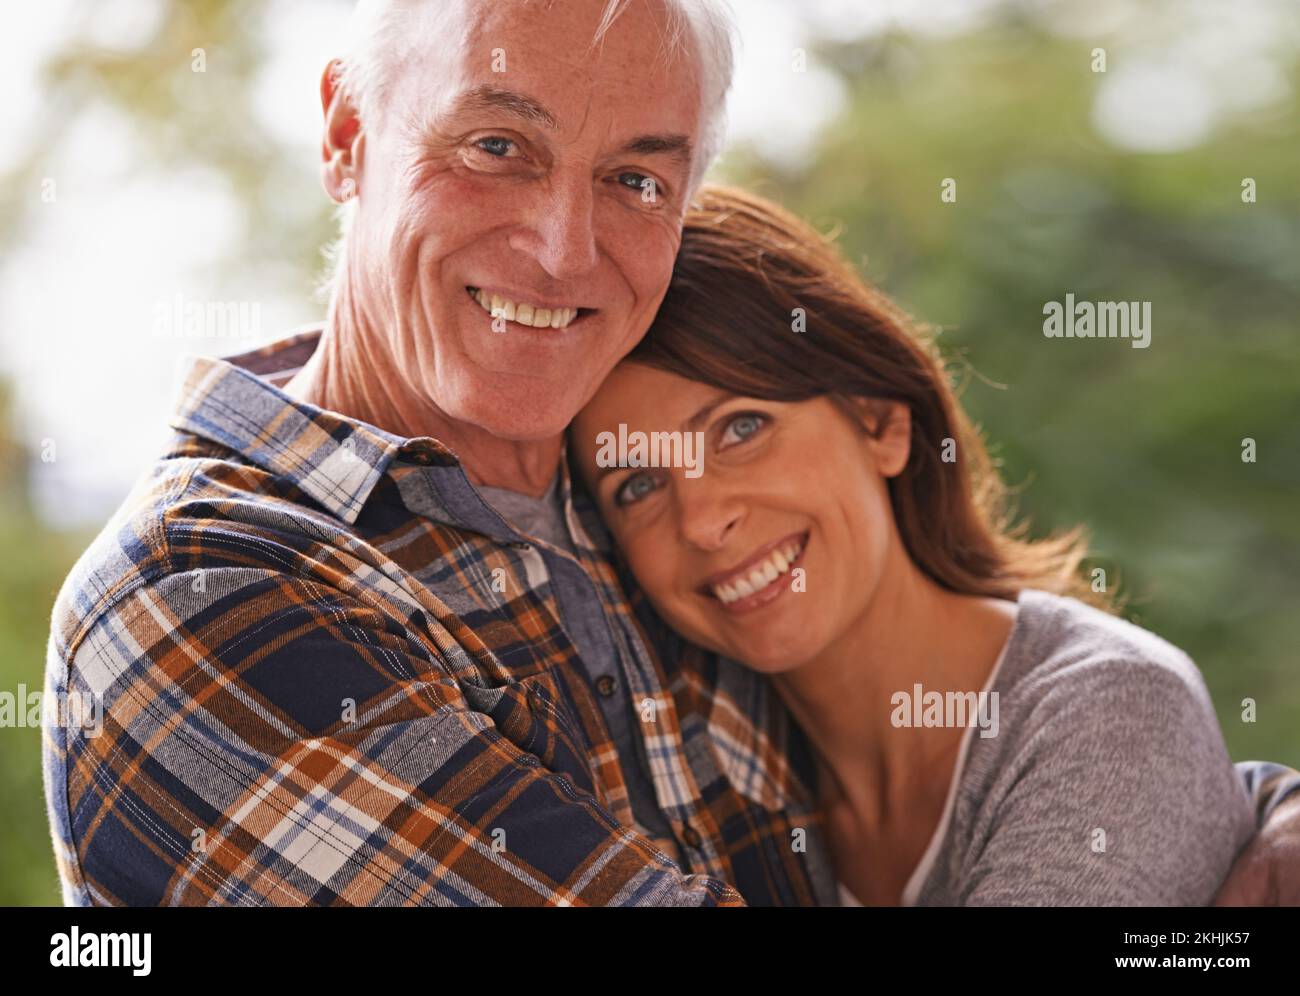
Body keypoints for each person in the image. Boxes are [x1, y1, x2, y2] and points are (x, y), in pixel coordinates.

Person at [40, 0, 1299, 906]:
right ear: (345, 132)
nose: (559, 245)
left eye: (638, 180)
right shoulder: (204, 590)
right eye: (497, 147)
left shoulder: (605, 508)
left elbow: (1038, 743)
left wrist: (1227, 813)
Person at [570, 184, 1296, 905]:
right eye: (637, 484)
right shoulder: (718, 776)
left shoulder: (1108, 711)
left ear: (879, 419)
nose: (701, 519)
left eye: (740, 428)